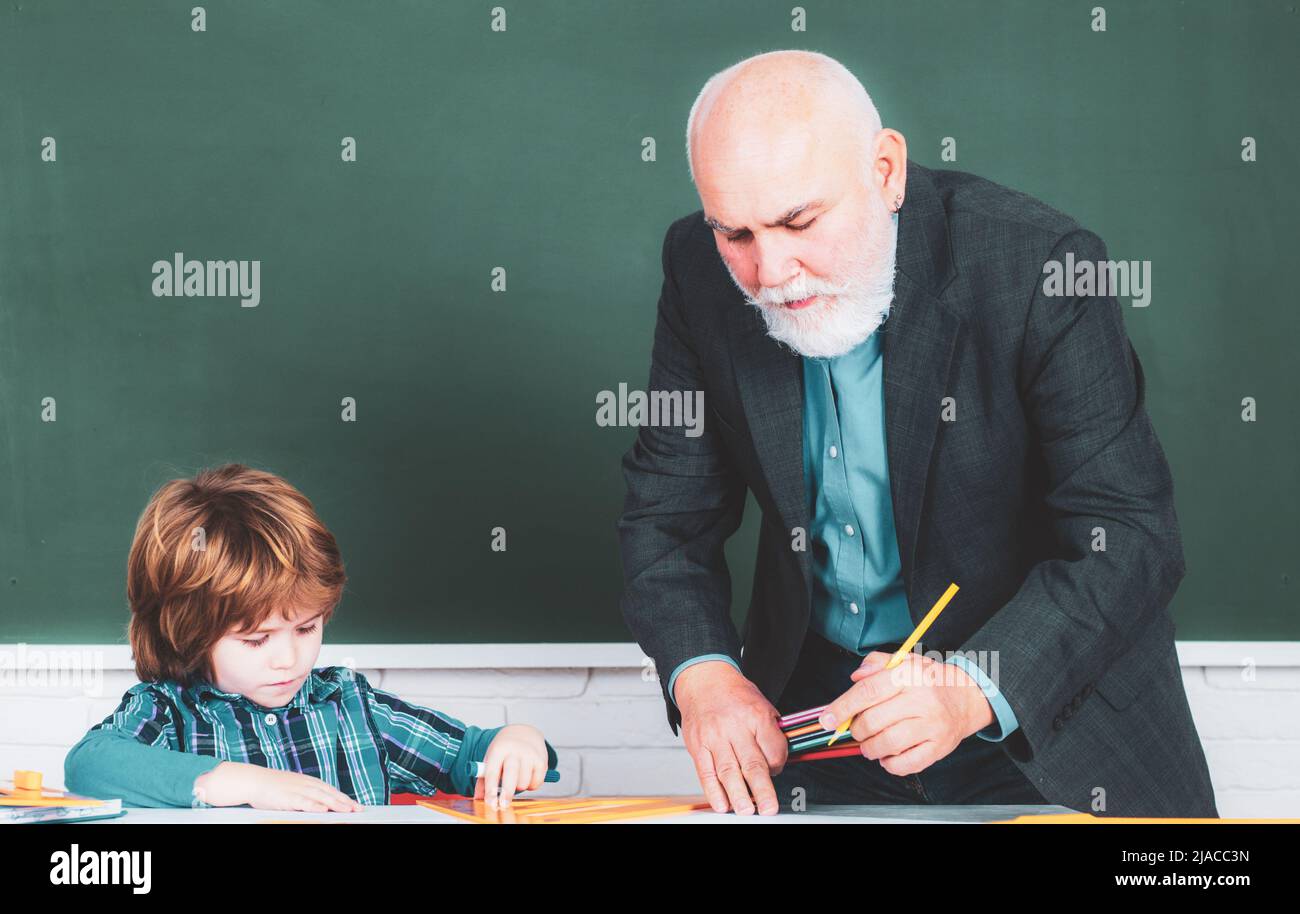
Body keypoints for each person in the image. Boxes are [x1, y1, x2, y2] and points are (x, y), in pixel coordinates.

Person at [617, 49, 1216, 817]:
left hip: (1051, 715)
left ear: (886, 170)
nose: (769, 271)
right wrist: (704, 676)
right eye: (734, 233)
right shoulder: (697, 270)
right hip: (821, 727)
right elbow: (667, 512)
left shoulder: (1042, 268)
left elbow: (1131, 533)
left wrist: (969, 690)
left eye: (799, 221)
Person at [65, 463, 555, 810]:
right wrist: (238, 782)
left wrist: (519, 742)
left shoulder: (353, 706)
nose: (290, 659)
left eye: (307, 628)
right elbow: (88, 766)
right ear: (189, 633)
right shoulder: (170, 711)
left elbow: (472, 754)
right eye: (257, 640)